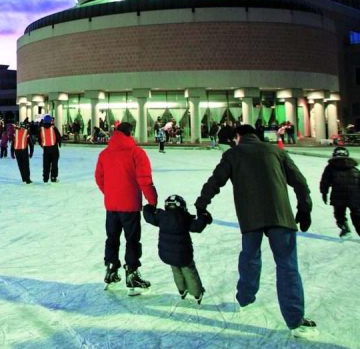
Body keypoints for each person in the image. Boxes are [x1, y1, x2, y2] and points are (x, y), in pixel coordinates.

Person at [194, 124, 317, 338]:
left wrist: (201, 204)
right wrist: (304, 209)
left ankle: (245, 298)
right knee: (287, 266)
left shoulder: (233, 154)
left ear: (238, 136)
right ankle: (296, 321)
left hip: (251, 217)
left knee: (250, 256)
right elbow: (300, 182)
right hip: (280, 216)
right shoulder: (276, 151)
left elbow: (216, 181)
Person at [95, 122, 157, 293]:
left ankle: (111, 269)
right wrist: (152, 201)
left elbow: (99, 178)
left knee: (112, 238)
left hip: (111, 206)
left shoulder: (105, 154)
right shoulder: (136, 153)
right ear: (130, 133)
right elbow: (145, 179)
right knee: (132, 240)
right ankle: (132, 273)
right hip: (130, 206)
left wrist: (110, 193)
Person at [143, 195, 211, 304]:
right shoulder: (184, 218)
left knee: (176, 270)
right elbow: (198, 227)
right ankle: (197, 293)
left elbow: (148, 217)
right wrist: (204, 217)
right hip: (183, 256)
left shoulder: (161, 216)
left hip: (166, 254)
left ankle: (182, 290)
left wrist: (147, 208)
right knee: (189, 272)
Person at [319, 146, 360, 238]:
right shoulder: (354, 169)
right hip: (355, 197)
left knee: (339, 214)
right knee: (357, 215)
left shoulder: (330, 168)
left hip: (338, 197)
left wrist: (324, 193)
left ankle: (345, 229)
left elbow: (325, 181)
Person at [38, 114, 62, 183]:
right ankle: (53, 177)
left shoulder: (41, 129)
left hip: (46, 149)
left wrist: (42, 146)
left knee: (46, 164)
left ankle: (45, 178)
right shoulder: (54, 128)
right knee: (54, 164)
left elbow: (39, 140)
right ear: (51, 121)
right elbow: (58, 137)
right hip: (54, 149)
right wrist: (59, 144)